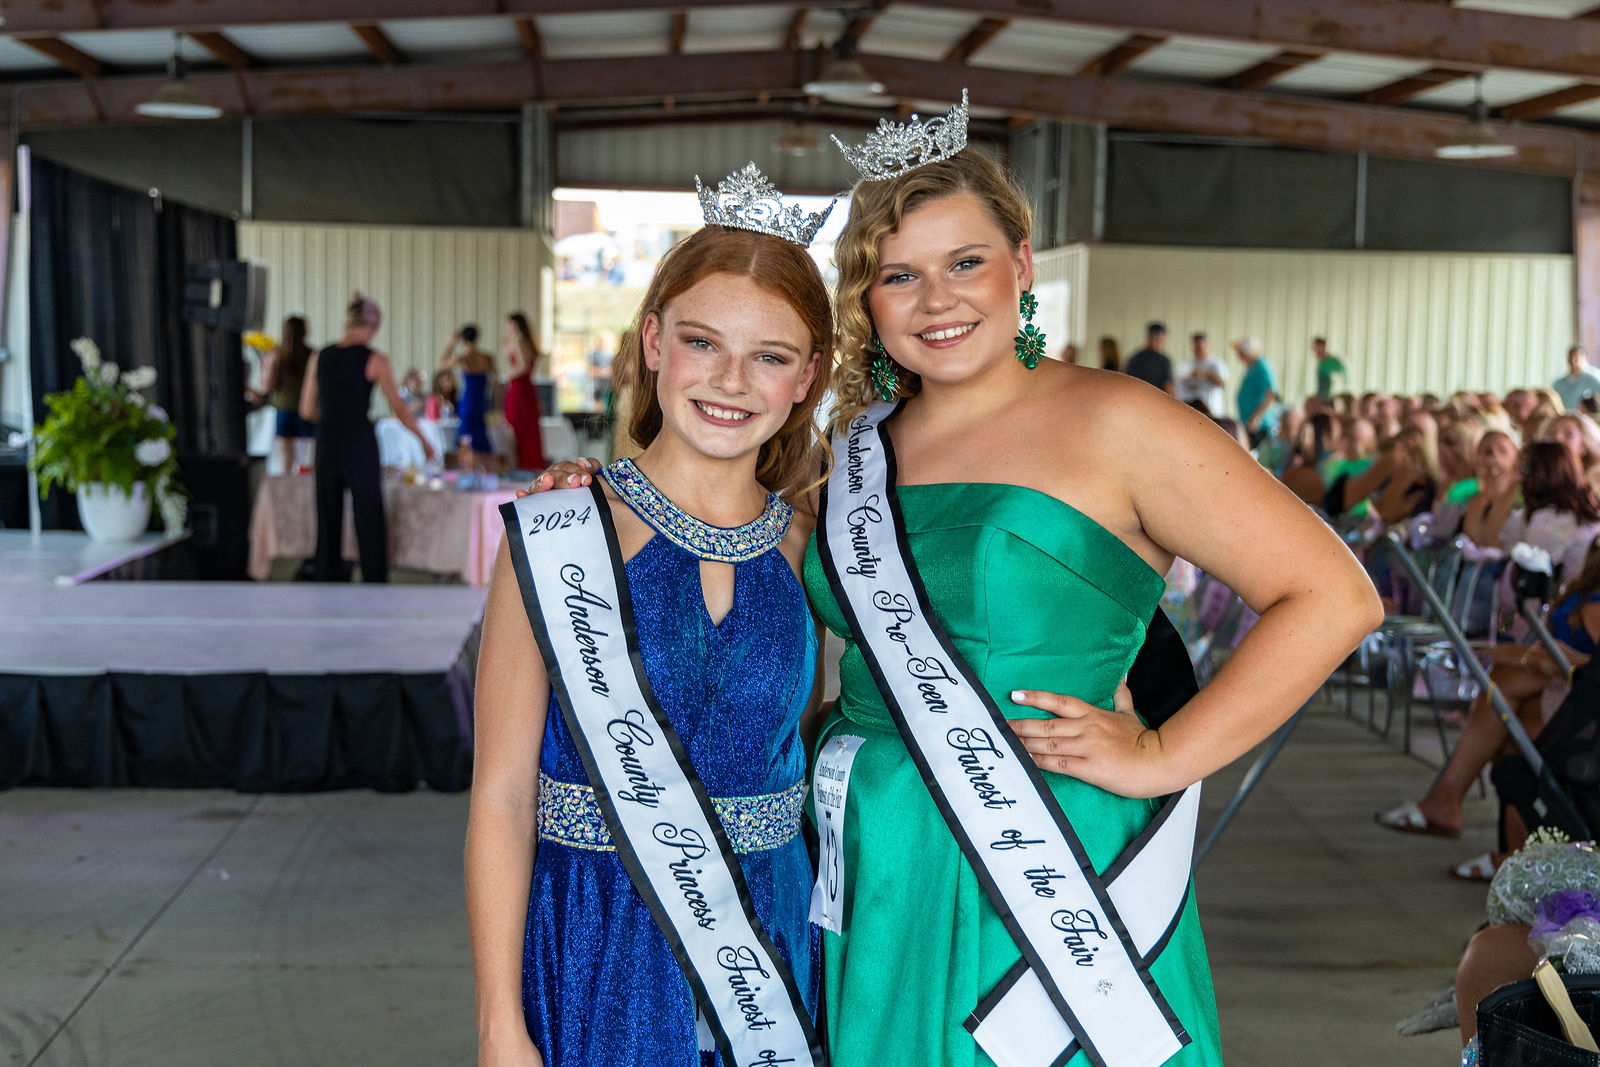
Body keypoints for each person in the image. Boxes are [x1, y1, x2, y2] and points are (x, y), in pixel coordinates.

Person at [806, 117, 1378, 1066]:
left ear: (1022, 265)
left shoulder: (1119, 420)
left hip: (1043, 848)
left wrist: (1164, 753)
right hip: (872, 855)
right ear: (869, 295)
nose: (935, 300)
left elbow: (1333, 594)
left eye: (966, 262)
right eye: (900, 274)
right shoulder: (855, 447)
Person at [466, 169, 833, 1067]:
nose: (731, 380)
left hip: (771, 943)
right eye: (703, 341)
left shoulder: (813, 552)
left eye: (770, 355)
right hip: (592, 935)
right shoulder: (557, 538)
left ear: (807, 377)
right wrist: (497, 1025)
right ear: (653, 341)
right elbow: (503, 798)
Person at [299, 293, 436, 583]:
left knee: (328, 517)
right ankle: (374, 582)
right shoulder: (375, 359)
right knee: (369, 518)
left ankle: (326, 582)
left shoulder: (319, 356)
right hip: (358, 443)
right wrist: (424, 440)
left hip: (327, 442)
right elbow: (398, 407)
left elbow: (306, 409)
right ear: (372, 326)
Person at [253, 315, 315, 474]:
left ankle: (286, 494)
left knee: (286, 462)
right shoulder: (312, 355)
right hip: (307, 411)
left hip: (284, 410)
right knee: (307, 463)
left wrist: (264, 368)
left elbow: (268, 385)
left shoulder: (276, 354)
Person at [442, 325, 499, 466]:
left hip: (468, 402)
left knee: (466, 441)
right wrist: (497, 405)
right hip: (481, 402)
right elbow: (496, 385)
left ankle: (468, 470)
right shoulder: (487, 358)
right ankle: (484, 471)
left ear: (463, 340)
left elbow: (443, 363)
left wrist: (452, 343)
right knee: (481, 440)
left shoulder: (464, 358)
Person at [501, 312, 548, 473]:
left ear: (514, 325)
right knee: (525, 428)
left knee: (515, 427)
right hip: (526, 390)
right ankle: (525, 464)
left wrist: (507, 376)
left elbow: (523, 366)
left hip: (519, 390)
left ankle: (518, 466)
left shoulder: (518, 340)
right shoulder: (525, 341)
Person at [1232, 336, 1277, 448]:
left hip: (1260, 426)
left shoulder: (1262, 367)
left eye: (1241, 352)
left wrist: (1256, 417)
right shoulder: (1252, 367)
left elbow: (1271, 395)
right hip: (1249, 423)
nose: (1238, 355)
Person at [1176, 331, 1227, 416]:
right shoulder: (1185, 364)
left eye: (1200, 347)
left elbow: (1222, 384)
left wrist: (1205, 374)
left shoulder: (1216, 364)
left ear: (1207, 345)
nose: (1198, 349)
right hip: (1189, 410)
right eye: (1195, 347)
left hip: (1211, 411)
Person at [1124, 320, 1175, 395]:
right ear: (1159, 336)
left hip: (1134, 401)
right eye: (1164, 337)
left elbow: (1126, 383)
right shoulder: (1163, 360)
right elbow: (1168, 387)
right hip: (1156, 402)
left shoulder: (1134, 358)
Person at [1552, 345, 1600, 413]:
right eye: (1571, 357)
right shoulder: (1558, 383)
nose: (1574, 361)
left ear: (1585, 359)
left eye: (1577, 358)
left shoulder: (1593, 381)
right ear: (1568, 359)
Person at [1311, 336, 1345, 404]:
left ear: (1323, 347)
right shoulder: (1318, 363)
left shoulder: (1335, 362)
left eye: (1317, 348)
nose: (1314, 350)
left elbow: (1339, 382)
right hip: (1319, 400)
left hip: (1331, 400)